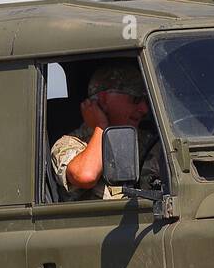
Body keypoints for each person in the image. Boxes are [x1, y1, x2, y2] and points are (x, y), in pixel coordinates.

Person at [50, 64, 162, 199]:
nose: (144, 109)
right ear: (103, 100)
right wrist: (101, 126)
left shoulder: (149, 141)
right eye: (135, 100)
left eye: (145, 101)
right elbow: (86, 175)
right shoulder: (70, 143)